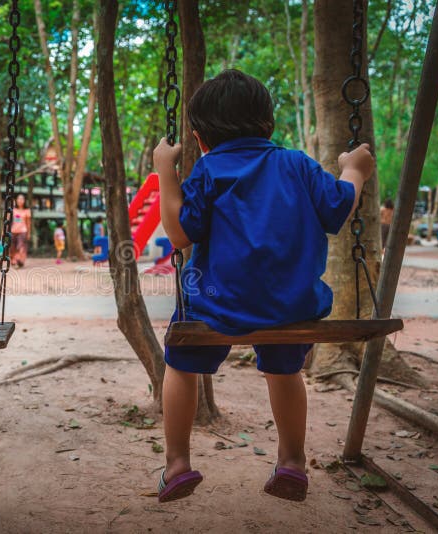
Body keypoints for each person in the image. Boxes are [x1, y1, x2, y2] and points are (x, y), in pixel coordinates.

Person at [154, 69, 373, 503]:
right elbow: (338, 207)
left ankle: (177, 463)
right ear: (268, 125)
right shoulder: (296, 163)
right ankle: (292, 461)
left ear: (200, 139)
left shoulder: (209, 169)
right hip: (292, 307)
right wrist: (355, 170)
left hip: (217, 307)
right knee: (286, 371)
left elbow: (179, 235)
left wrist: (166, 170)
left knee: (180, 363)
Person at [10, 194, 32, 267]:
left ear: (25, 200)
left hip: (23, 231)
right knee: (12, 248)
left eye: (22, 199)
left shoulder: (27, 210)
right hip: (13, 231)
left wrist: (29, 233)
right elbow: (8, 222)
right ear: (16, 200)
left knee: (21, 246)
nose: (20, 200)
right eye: (19, 199)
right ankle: (14, 260)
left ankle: (20, 260)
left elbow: (28, 223)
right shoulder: (13, 210)